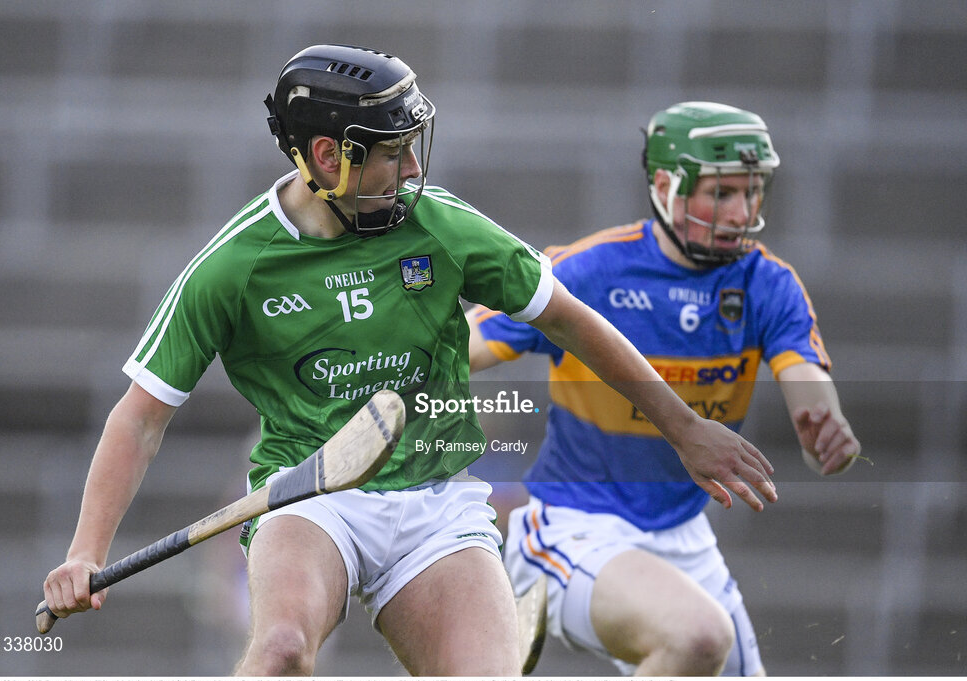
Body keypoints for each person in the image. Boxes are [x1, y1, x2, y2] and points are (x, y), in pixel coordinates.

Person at [40, 47, 776, 676]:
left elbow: (570, 320)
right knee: (280, 653)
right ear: (328, 156)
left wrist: (683, 428)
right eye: (394, 153)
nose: (414, 165)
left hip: (435, 501)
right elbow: (139, 418)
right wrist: (84, 551)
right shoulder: (234, 267)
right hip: (308, 493)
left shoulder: (443, 226)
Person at [468, 101, 861, 676]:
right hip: (573, 527)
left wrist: (824, 424)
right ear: (663, 185)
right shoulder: (589, 270)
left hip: (684, 540)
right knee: (699, 636)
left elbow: (808, 382)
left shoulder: (767, 283)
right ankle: (540, 592)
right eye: (721, 193)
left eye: (752, 192)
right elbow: (462, 352)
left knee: (706, 639)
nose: (740, 212)